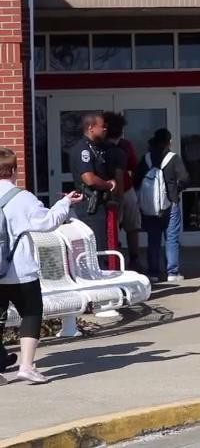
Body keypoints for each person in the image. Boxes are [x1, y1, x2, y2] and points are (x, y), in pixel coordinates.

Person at [0, 148, 84, 384]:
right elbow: (48, 222)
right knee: (31, 313)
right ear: (14, 170)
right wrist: (65, 202)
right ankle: (26, 366)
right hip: (20, 271)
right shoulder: (22, 197)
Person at [133, 129, 190, 283]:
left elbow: (135, 180)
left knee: (153, 239)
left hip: (150, 207)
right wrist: (175, 189)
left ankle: (153, 273)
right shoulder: (173, 158)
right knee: (171, 238)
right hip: (170, 204)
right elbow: (185, 178)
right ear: (169, 141)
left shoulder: (146, 158)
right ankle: (173, 272)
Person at [69, 112, 117, 266]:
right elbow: (88, 178)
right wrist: (108, 185)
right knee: (96, 251)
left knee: (101, 246)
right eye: (102, 127)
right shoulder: (83, 149)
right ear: (90, 127)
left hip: (99, 205)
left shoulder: (96, 148)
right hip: (90, 207)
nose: (105, 130)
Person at [103, 112, 142, 270]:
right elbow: (133, 166)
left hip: (114, 190)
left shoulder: (100, 146)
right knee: (131, 227)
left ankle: (115, 259)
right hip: (124, 189)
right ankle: (132, 259)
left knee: (113, 228)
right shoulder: (125, 146)